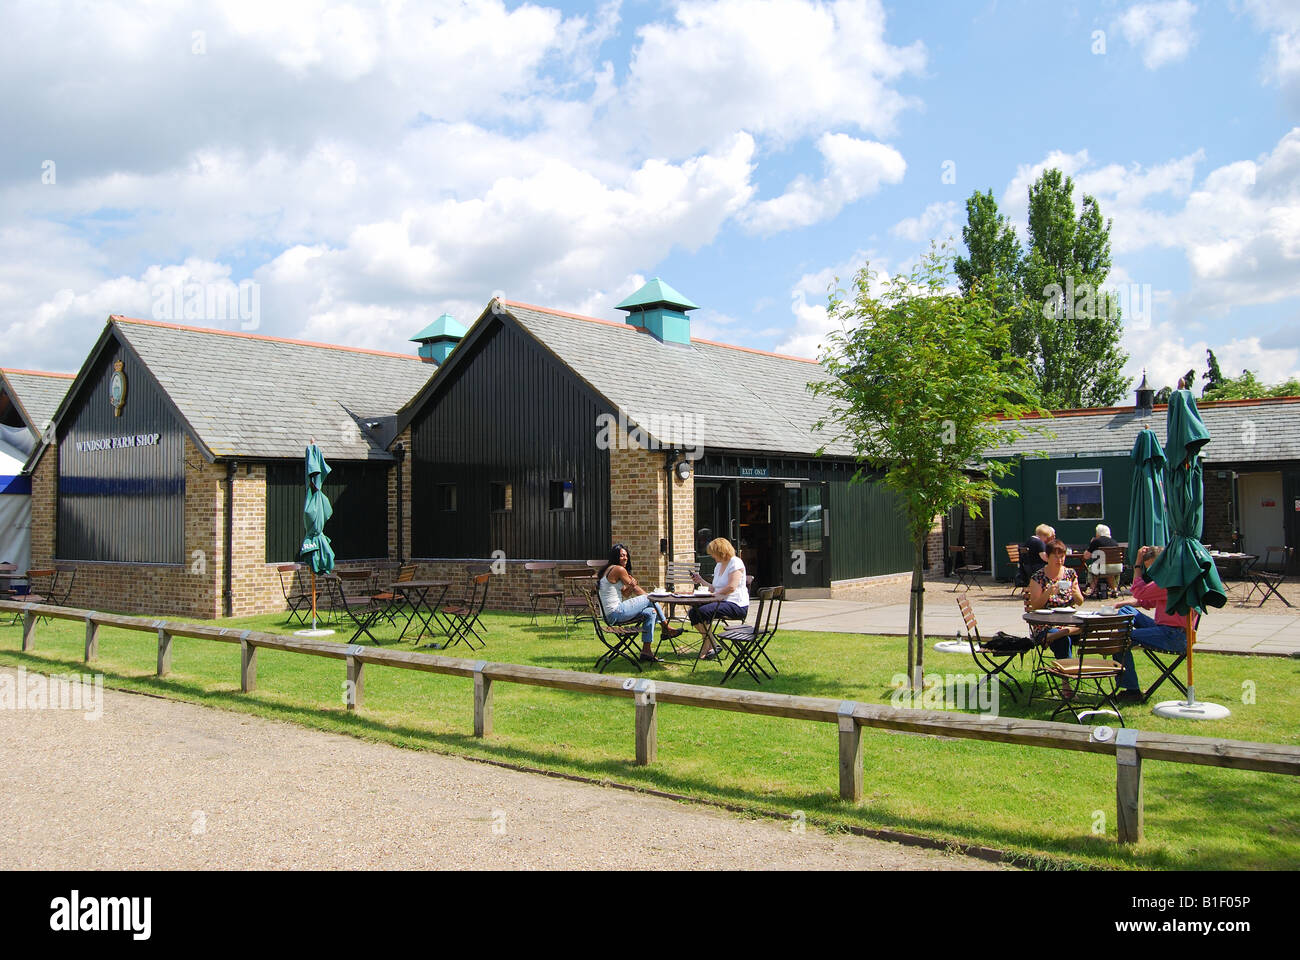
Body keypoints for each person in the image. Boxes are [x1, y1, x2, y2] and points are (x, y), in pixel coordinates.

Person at [1114, 545, 1191, 703]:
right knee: (1127, 610)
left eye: (1154, 567)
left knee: (1119, 639)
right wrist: (1129, 603)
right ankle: (1127, 638)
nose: (1152, 572)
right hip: (1167, 629)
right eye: (1148, 569)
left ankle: (1132, 690)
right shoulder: (1175, 577)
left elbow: (1138, 591)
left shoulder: (1169, 580)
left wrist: (1137, 564)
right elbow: (1149, 600)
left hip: (1173, 635)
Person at [596, 543, 682, 663]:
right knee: (650, 598)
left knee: (651, 612)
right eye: (621, 556)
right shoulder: (618, 569)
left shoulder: (609, 569)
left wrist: (631, 586)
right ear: (615, 557)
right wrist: (650, 598)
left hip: (610, 615)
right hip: (615, 613)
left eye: (626, 555)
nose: (625, 558)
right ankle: (666, 627)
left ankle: (646, 651)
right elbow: (637, 591)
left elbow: (626, 594)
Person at [689, 537, 750, 660]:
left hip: (735, 604)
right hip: (720, 601)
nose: (712, 556)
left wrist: (714, 595)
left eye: (713, 553)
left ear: (721, 552)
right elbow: (714, 588)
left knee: (703, 612)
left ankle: (707, 645)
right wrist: (701, 580)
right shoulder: (718, 565)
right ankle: (712, 643)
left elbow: (731, 587)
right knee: (693, 612)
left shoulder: (735, 563)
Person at [1027, 538, 1084, 668]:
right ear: (1047, 557)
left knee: (1086, 631)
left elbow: (1080, 602)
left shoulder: (1070, 574)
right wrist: (1048, 592)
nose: (1059, 560)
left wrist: (1076, 593)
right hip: (1046, 625)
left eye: (1062, 556)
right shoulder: (1038, 577)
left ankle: (1064, 634)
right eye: (1056, 557)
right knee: (1062, 639)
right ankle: (1067, 675)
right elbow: (1035, 606)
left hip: (1069, 623)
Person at [1083, 523, 1123, 599]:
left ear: (1098, 533)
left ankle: (1091, 590)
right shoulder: (1114, 542)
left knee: (1094, 570)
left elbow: (1086, 556)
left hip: (1102, 569)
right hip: (1117, 568)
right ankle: (1114, 590)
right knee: (1109, 573)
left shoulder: (1096, 541)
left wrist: (1091, 544)